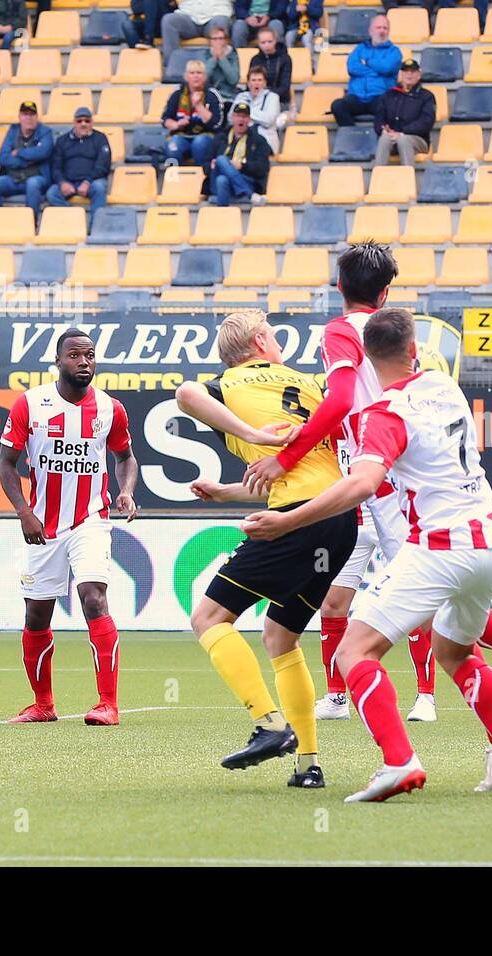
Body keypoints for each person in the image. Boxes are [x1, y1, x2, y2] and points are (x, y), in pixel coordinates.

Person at [242, 242, 492, 738]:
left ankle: (406, 751)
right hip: (409, 478)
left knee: (404, 621)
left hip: (389, 481)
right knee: (446, 623)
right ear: (386, 293)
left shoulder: (340, 332)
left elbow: (341, 400)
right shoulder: (411, 352)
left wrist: (286, 459)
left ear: (338, 287)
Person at [244, 308, 492, 802]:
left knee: (353, 652)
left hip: (439, 546)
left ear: (364, 357)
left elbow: (362, 484)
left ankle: (398, 762)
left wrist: (287, 520)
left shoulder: (384, 413)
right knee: (454, 652)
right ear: (414, 351)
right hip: (490, 544)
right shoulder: (444, 387)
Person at [176, 309, 354, 787]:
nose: (276, 343)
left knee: (209, 619)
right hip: (338, 519)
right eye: (272, 335)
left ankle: (269, 724)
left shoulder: (229, 385)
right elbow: (300, 464)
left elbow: (186, 393)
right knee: (281, 637)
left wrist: (251, 435)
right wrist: (230, 491)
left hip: (293, 519)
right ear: (259, 341)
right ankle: (308, 764)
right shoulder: (310, 384)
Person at [0, 329, 139, 727]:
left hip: (91, 518)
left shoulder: (111, 408)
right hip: (43, 525)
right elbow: (5, 464)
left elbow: (126, 457)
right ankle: (43, 705)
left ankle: (107, 704)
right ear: (58, 361)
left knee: (94, 598)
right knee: (37, 614)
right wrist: (24, 511)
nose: (84, 362)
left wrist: (126, 491)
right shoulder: (30, 404)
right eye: (75, 355)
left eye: (90, 355)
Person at [0, 99, 53, 224]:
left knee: (33, 184)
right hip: (13, 179)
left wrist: (19, 152)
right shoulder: (13, 131)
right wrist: (25, 162)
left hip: (37, 177)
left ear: (37, 117)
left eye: (32, 114)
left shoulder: (45, 132)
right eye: (25, 114)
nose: (29, 118)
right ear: (20, 117)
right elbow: (3, 157)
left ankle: (31, 223)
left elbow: (43, 152)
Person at [330, 13, 399, 127]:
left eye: (385, 28)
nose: (382, 31)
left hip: (380, 95)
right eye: (378, 27)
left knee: (387, 107)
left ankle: (378, 140)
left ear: (388, 31)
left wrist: (368, 62)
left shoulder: (394, 51)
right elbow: (352, 68)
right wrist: (377, 70)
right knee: (337, 106)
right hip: (357, 96)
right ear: (370, 30)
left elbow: (387, 68)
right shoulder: (359, 49)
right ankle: (353, 136)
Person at [46, 106, 112, 213]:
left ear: (92, 122)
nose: (83, 124)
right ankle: (73, 220)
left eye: (87, 121)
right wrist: (62, 183)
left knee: (99, 188)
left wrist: (87, 182)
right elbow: (55, 167)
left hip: (92, 182)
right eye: (79, 121)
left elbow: (103, 165)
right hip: (69, 182)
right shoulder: (62, 140)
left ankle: (96, 227)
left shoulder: (100, 138)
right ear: (74, 122)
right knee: (52, 193)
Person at [372, 57, 434, 167]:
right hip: (392, 136)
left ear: (419, 75)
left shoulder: (426, 96)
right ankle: (378, 177)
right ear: (401, 74)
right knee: (384, 138)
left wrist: (402, 132)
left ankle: (408, 178)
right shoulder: (389, 95)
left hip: (417, 139)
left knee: (403, 140)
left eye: (412, 72)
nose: (409, 75)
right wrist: (383, 130)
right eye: (406, 71)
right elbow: (379, 118)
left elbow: (426, 122)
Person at [162, 59, 221, 167]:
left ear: (204, 77)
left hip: (205, 135)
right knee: (172, 146)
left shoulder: (212, 94)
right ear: (186, 76)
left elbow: (217, 124)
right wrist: (176, 124)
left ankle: (202, 180)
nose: (195, 76)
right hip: (181, 135)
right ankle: (172, 179)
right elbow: (165, 119)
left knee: (199, 144)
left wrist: (198, 106)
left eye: (199, 73)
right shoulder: (177, 94)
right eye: (192, 73)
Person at [209, 99, 270, 204]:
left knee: (222, 180)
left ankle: (223, 215)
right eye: (238, 116)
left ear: (249, 120)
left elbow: (263, 168)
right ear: (232, 118)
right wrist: (211, 165)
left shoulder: (258, 140)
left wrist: (242, 166)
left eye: (244, 117)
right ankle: (249, 194)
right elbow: (205, 163)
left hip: (245, 178)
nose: (241, 120)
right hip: (217, 179)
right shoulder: (220, 138)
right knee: (221, 160)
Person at [162, 0, 233, 66]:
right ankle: (172, 66)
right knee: (169, 20)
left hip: (215, 18)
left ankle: (219, 66)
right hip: (188, 18)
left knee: (221, 22)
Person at [245, 26, 292, 122]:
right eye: (263, 42)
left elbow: (285, 86)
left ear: (275, 41)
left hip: (280, 100)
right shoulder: (255, 59)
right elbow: (250, 82)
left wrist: (268, 97)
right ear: (258, 43)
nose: (266, 45)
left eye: (270, 42)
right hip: (257, 100)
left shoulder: (285, 59)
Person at [228, 64, 278, 151]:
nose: (256, 83)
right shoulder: (241, 96)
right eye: (253, 80)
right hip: (242, 140)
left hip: (265, 141)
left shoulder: (272, 97)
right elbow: (231, 118)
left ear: (265, 83)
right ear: (248, 83)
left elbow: (268, 120)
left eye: (260, 80)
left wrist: (246, 111)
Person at [203, 24, 241, 100]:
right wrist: (214, 59)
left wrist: (222, 58)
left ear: (226, 40)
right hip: (209, 95)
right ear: (210, 41)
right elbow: (203, 79)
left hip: (229, 95)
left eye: (221, 38)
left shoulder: (233, 55)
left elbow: (234, 80)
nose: (218, 42)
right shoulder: (205, 55)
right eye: (214, 39)